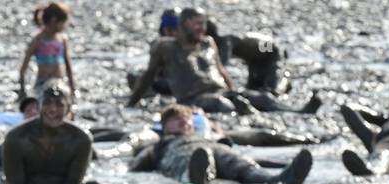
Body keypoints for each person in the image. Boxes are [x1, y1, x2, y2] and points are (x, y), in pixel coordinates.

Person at [126, 8, 319, 114]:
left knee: (264, 97)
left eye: (204, 24)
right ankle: (250, 114)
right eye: (198, 24)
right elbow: (147, 77)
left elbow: (221, 70)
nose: (202, 28)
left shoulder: (211, 42)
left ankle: (298, 111)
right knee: (223, 105)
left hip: (253, 65)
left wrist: (233, 91)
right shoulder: (165, 47)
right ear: (184, 24)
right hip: (194, 98)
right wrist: (131, 104)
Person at [129, 104, 313, 184]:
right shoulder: (160, 144)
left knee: (242, 166)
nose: (183, 123)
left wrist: (279, 165)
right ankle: (196, 180)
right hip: (181, 153)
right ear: (165, 126)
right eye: (177, 120)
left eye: (186, 120)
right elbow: (138, 164)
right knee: (191, 164)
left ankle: (279, 179)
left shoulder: (207, 135)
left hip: (214, 148)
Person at [19, 3, 75, 102]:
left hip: (59, 81)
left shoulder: (62, 40)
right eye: (63, 23)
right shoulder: (38, 39)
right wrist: (22, 88)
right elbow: (24, 64)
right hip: (42, 82)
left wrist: (72, 87)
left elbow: (68, 65)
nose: (64, 26)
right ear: (54, 20)